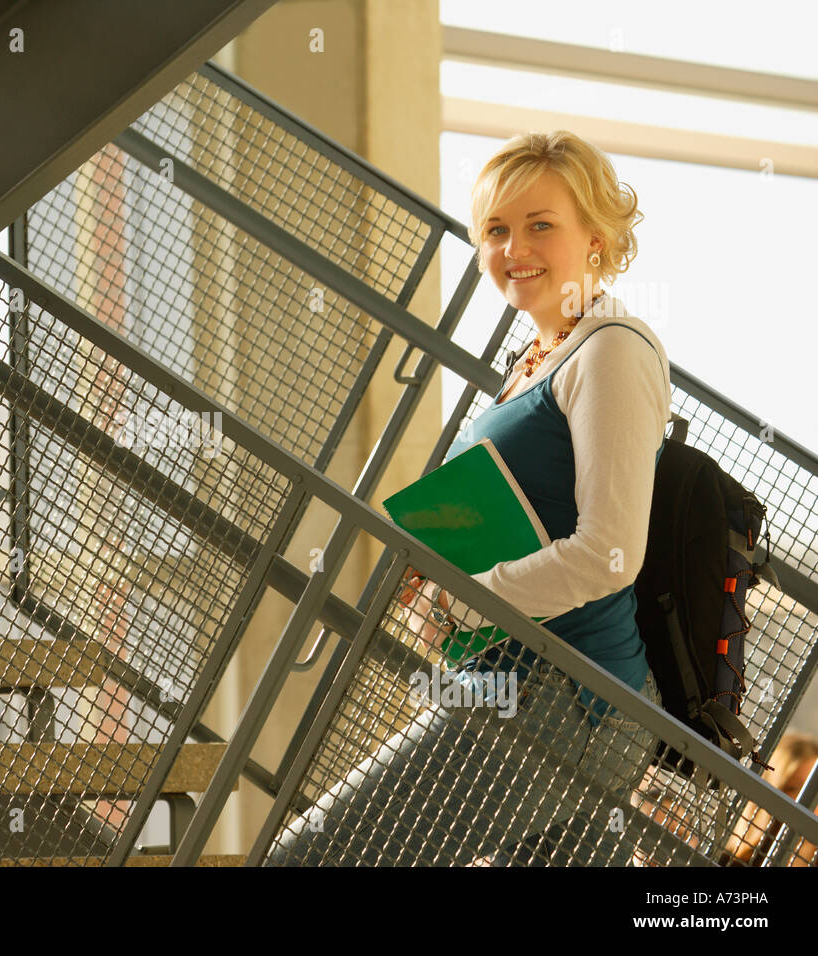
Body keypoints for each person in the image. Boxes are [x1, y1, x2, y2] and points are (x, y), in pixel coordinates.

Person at [266, 130, 671, 866]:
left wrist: (464, 597)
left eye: (540, 225)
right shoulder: (536, 357)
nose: (514, 247)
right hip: (522, 691)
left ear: (596, 236)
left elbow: (611, 553)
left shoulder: (611, 350)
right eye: (495, 229)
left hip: (566, 701)